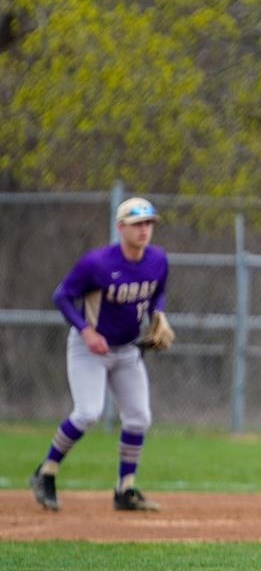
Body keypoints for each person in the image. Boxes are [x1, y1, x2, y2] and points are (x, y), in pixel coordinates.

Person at [28, 197, 171, 512]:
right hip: (89, 349)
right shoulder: (97, 263)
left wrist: (158, 314)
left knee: (139, 418)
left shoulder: (158, 260)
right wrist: (85, 331)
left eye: (148, 223)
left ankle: (125, 490)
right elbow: (62, 296)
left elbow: (157, 292)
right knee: (87, 413)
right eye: (137, 224)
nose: (144, 230)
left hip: (127, 349)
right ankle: (46, 472)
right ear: (121, 227)